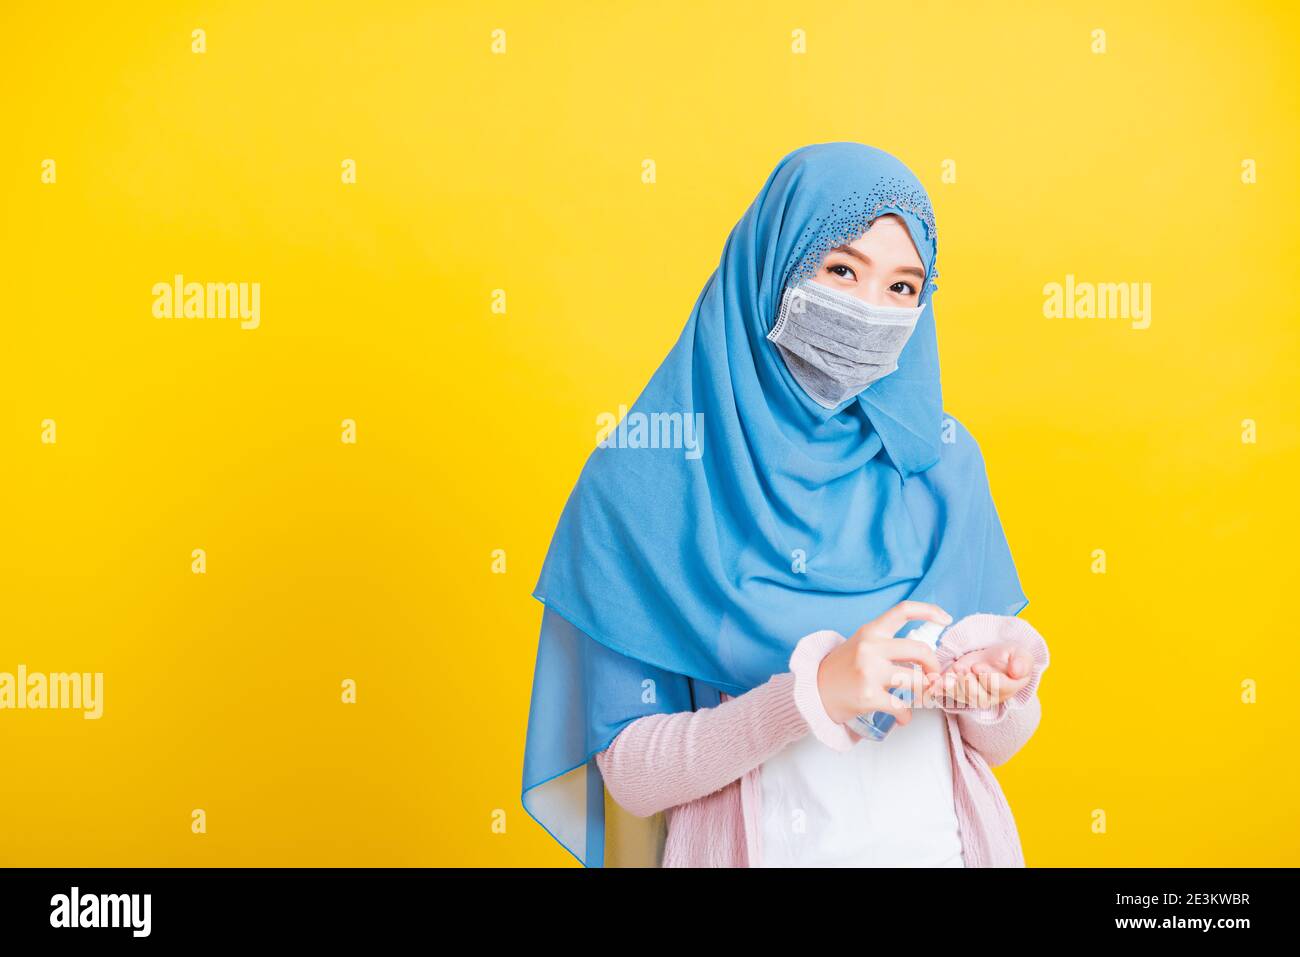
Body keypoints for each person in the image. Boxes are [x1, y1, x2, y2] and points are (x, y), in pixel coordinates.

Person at [521, 141, 1050, 867]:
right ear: (769, 267)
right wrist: (810, 697)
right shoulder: (641, 482)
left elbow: (992, 741)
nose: (871, 312)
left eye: (903, 288)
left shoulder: (939, 459)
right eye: (840, 270)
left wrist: (995, 692)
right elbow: (632, 772)